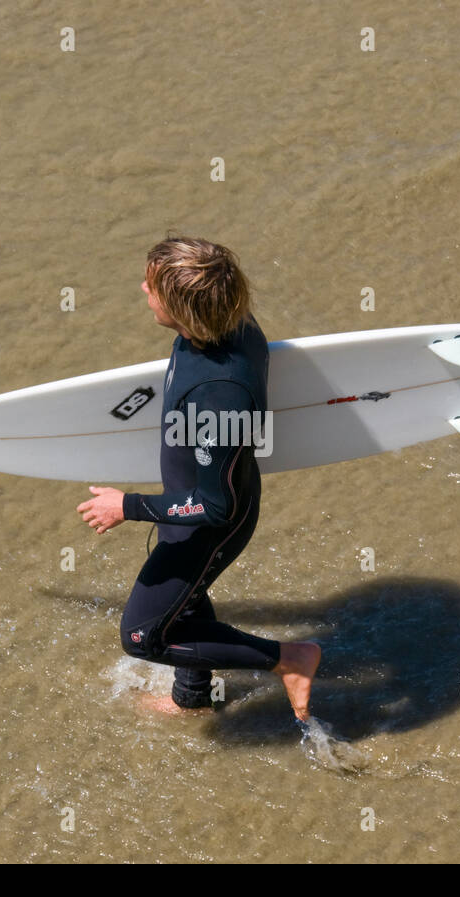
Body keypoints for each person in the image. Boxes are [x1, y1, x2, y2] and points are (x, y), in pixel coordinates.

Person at [76, 237, 320, 723]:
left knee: (144, 636)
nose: (143, 287)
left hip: (207, 525)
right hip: (190, 501)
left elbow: (215, 507)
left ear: (185, 305)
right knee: (183, 603)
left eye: (154, 286)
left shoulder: (220, 395)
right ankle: (192, 699)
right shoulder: (227, 326)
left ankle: (289, 659)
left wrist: (128, 506)